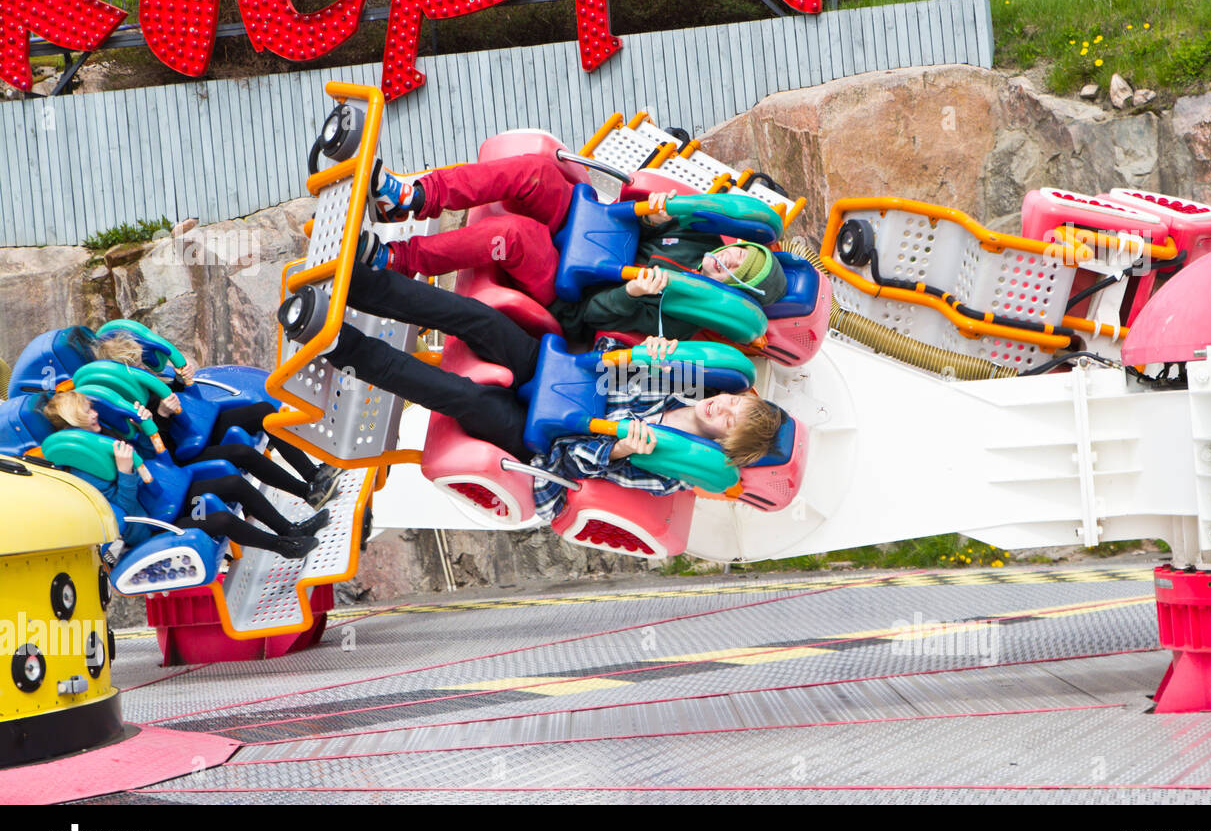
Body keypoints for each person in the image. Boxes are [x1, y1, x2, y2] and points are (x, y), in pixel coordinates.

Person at [312, 254, 786, 522]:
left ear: (723, 445)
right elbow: (600, 354)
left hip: (542, 435)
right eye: (734, 404)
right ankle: (365, 286)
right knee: (482, 319)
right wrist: (640, 355)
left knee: (466, 397)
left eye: (728, 421)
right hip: (560, 375)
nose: (722, 405)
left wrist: (617, 451)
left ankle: (341, 345)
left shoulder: (667, 472)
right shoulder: (681, 387)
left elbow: (566, 466)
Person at [367, 154, 786, 342]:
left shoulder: (681, 317)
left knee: (516, 235)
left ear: (735, 288)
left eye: (739, 268)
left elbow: (592, 316)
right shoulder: (705, 238)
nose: (732, 257)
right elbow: (636, 217)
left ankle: (400, 259)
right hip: (591, 228)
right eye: (743, 252)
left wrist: (632, 294)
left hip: (572, 292)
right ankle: (414, 197)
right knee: (536, 172)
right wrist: (649, 217)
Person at [42, 390, 326, 560]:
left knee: (232, 483)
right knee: (219, 518)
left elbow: (153, 454)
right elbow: (123, 512)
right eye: (85, 414)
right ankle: (283, 546)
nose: (93, 415)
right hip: (156, 520)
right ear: (71, 426)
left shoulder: (104, 432)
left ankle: (292, 527)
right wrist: (125, 473)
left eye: (90, 409)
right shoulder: (80, 469)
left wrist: (148, 425)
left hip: (168, 492)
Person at [93, 330, 343, 509]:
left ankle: (312, 474)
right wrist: (162, 415)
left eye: (141, 363)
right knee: (241, 453)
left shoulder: (150, 380)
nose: (144, 369)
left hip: (197, 428)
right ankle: (308, 493)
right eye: (136, 366)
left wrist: (182, 380)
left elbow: (183, 398)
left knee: (264, 411)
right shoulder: (125, 407)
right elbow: (160, 451)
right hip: (181, 453)